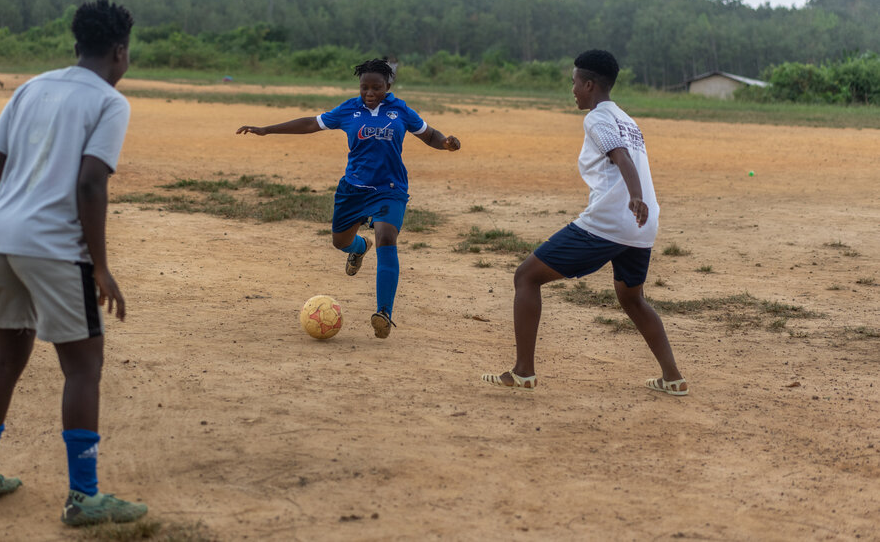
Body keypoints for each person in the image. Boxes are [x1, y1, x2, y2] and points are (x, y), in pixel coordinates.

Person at [0, 0, 149, 526]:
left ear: (75, 47)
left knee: (7, 358)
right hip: (53, 247)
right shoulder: (109, 102)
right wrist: (100, 264)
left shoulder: (31, 87)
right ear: (119, 52)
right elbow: (91, 181)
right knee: (83, 366)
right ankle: (84, 498)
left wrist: (18, 207)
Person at [482, 49, 687, 395]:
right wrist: (638, 202)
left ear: (589, 84)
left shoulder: (596, 119)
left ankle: (523, 371)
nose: (572, 89)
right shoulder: (628, 119)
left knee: (526, 276)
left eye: (574, 82)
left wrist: (634, 195)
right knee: (632, 299)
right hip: (641, 226)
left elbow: (620, 156)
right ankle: (672, 378)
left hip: (610, 221)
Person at [236, 58, 460, 338]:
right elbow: (310, 124)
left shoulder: (400, 110)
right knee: (339, 241)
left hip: (389, 188)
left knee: (387, 239)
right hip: (353, 188)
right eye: (364, 87)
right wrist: (267, 129)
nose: (369, 93)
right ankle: (357, 247)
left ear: (388, 86)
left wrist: (446, 144)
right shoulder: (349, 109)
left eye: (376, 87)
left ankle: (384, 313)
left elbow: (430, 135)